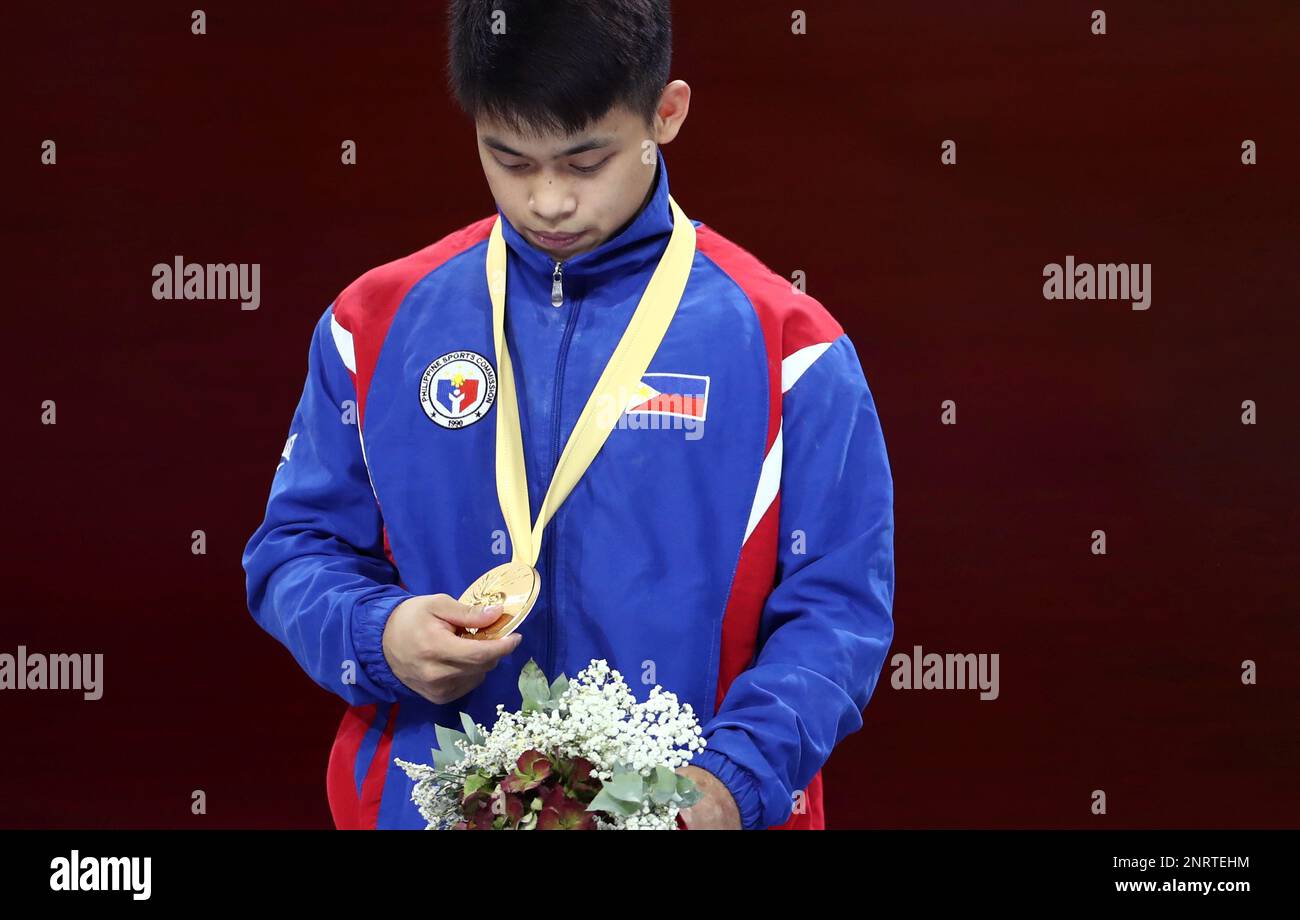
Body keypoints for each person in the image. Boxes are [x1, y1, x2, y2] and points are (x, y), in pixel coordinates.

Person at [241, 0, 895, 830]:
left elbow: (840, 611)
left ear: (668, 113)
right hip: (426, 808)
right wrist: (381, 633)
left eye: (585, 162)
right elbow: (292, 552)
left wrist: (732, 780)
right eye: (509, 159)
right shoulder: (374, 324)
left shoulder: (789, 347)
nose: (547, 202)